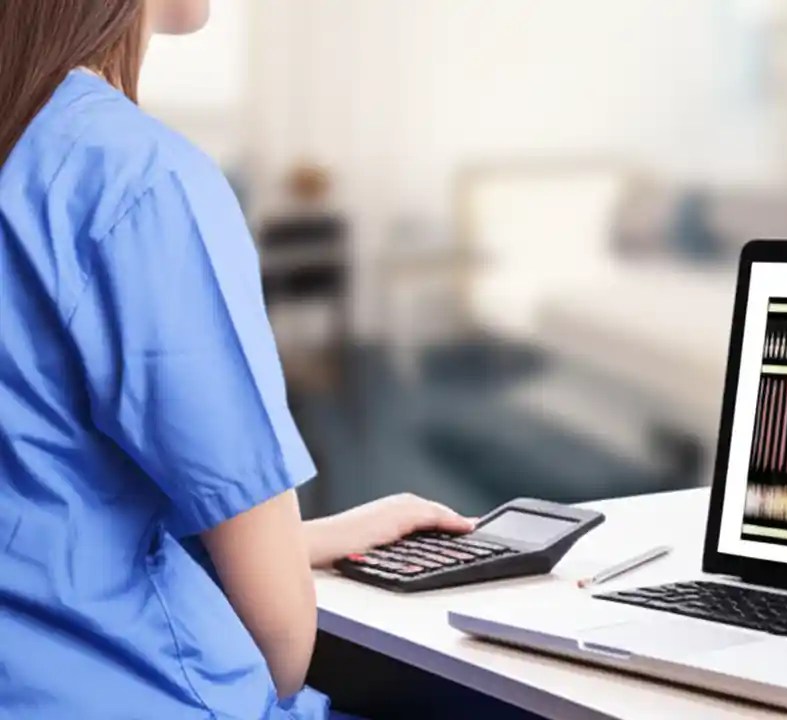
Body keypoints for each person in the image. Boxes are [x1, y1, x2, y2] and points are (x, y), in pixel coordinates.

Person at [0, 2, 473, 717]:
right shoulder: (140, 178)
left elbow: (42, 511)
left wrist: (300, 542)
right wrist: (273, 563)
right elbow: (281, 645)